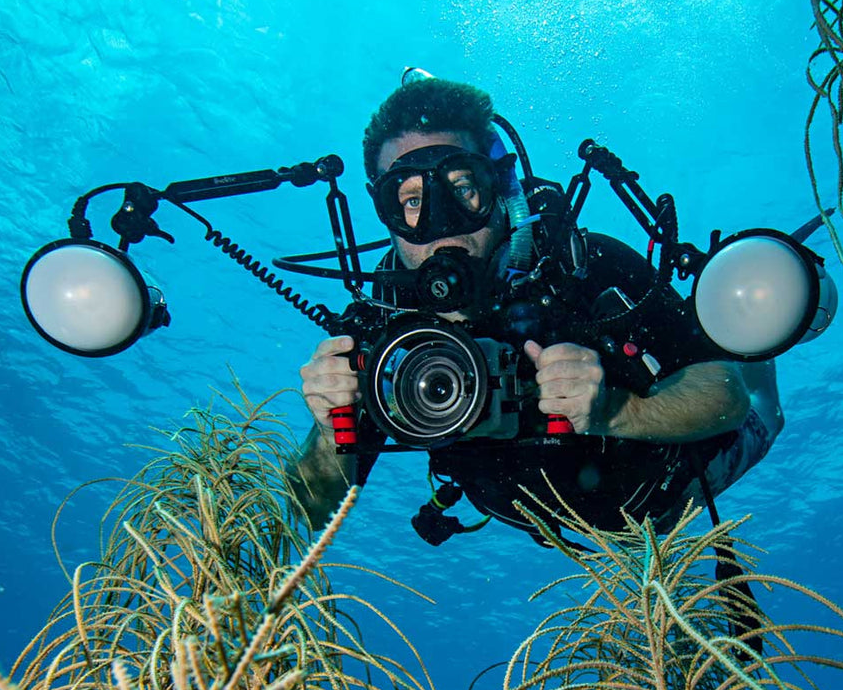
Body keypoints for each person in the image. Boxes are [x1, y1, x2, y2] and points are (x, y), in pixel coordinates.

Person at [292, 77, 784, 545]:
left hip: (672, 488)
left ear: (499, 187)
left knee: (764, 410)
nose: (441, 223)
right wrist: (328, 429)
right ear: (384, 212)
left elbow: (726, 394)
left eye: (462, 188)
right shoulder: (382, 335)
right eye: (411, 199)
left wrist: (617, 412)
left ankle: (759, 327)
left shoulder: (582, 266)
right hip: (570, 533)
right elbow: (309, 513)